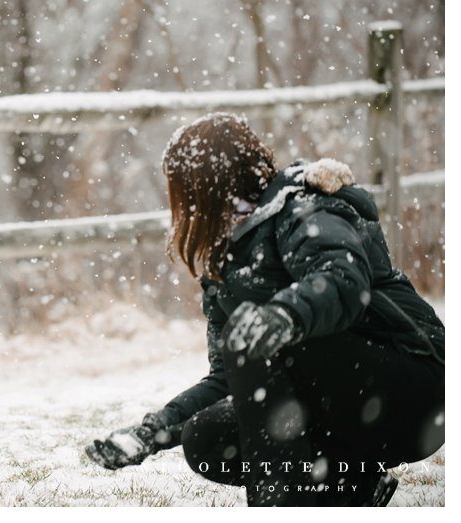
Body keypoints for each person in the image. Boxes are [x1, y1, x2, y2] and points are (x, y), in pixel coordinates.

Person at [85, 112, 445, 506]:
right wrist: (153, 430)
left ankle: (275, 502)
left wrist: (282, 317)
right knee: (205, 437)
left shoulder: (305, 205)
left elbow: (342, 280)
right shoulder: (228, 263)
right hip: (351, 405)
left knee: (254, 334)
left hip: (416, 388)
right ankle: (349, 486)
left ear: (207, 187)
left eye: (184, 194)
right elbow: (229, 379)